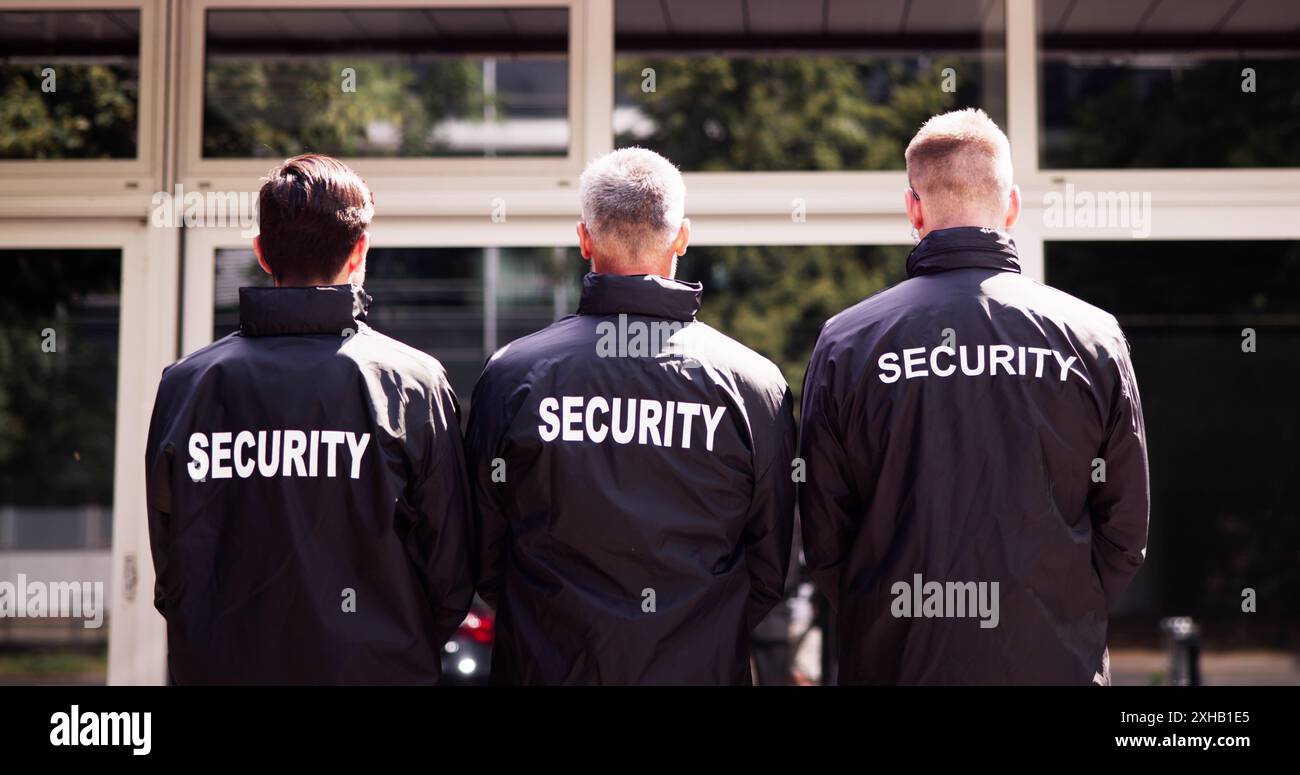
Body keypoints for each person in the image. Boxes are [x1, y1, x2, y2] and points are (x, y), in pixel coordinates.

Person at [799, 109, 1150, 685]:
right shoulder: (1092, 337)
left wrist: (888, 616)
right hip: (1051, 665)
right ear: (1011, 205)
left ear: (913, 209)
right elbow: (1126, 529)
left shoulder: (848, 342)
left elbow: (824, 536)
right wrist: (1054, 613)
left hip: (899, 663)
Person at [465, 148, 796, 685]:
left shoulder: (513, 376)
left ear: (585, 240)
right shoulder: (751, 385)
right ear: (682, 238)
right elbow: (770, 567)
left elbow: (482, 556)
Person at [145, 154, 474, 684]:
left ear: (261, 253)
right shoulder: (412, 384)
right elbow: (451, 574)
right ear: (359, 251)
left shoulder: (188, 385)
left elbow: (173, 566)